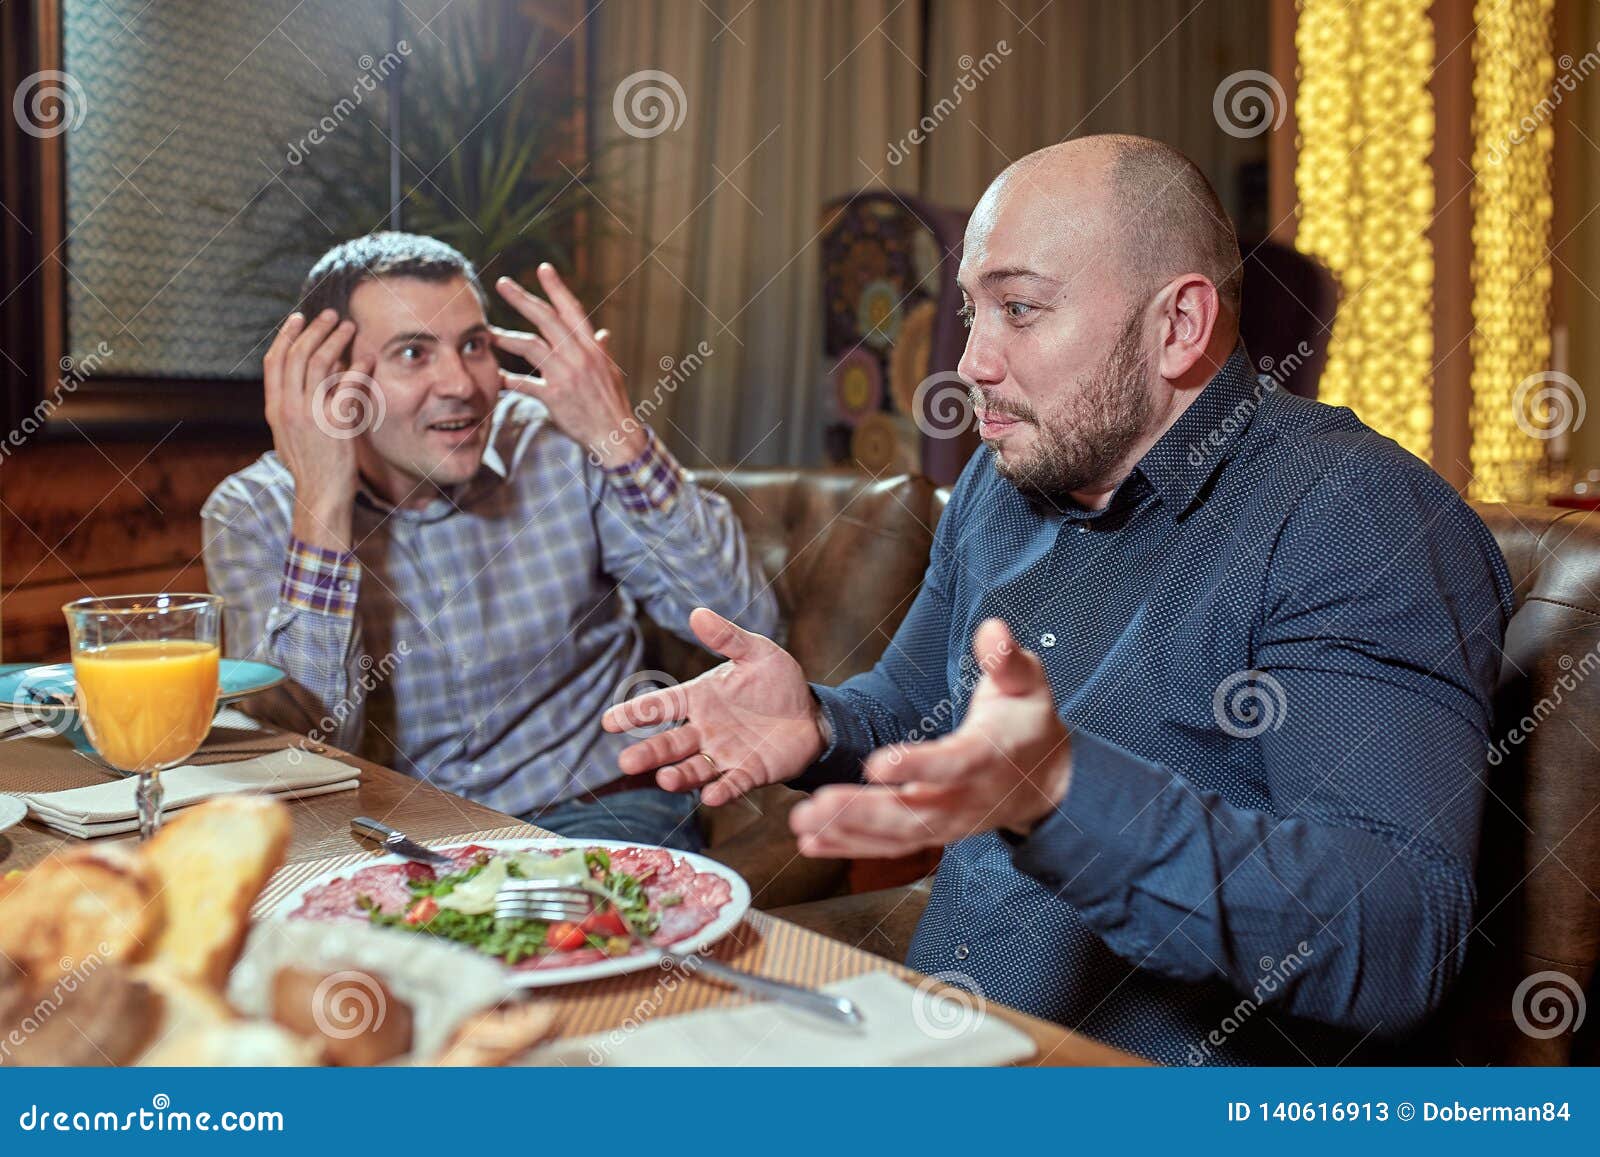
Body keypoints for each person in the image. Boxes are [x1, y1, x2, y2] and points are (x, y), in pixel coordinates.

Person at [604, 135, 1514, 1063]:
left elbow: (1399, 935)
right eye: (971, 311)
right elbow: (921, 717)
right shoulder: (1005, 484)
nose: (970, 363)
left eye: (1020, 309)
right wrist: (819, 725)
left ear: (1179, 325)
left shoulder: (1352, 515)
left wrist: (1064, 796)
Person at [203, 232, 776, 852]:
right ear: (332, 380)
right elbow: (309, 750)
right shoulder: (250, 511)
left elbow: (749, 622)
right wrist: (322, 506)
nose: (462, 384)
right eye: (413, 353)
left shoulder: (555, 442)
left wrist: (620, 436)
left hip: (600, 806)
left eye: (473, 345)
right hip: (395, 835)